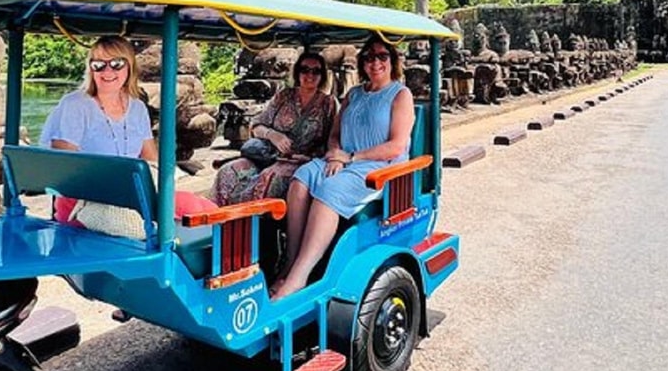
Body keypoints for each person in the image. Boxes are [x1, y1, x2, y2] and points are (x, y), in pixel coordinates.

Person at [270, 35, 415, 300]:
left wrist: (350, 157)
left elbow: (396, 146)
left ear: (392, 61)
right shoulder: (353, 94)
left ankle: (298, 277)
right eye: (369, 56)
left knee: (329, 190)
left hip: (377, 169)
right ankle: (290, 260)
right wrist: (336, 153)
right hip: (343, 159)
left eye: (382, 56)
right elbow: (335, 133)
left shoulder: (400, 95)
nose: (375, 62)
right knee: (301, 179)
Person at [40, 36, 211, 225]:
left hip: (130, 195)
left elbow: (151, 160)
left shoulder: (137, 108)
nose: (107, 71)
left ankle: (228, 250)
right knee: (181, 211)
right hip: (84, 203)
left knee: (200, 206)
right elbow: (64, 165)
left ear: (129, 67)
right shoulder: (75, 104)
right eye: (99, 65)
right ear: (91, 69)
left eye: (116, 64)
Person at [212, 52, 338, 205]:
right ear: (297, 72)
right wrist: (273, 135)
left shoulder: (328, 104)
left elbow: (334, 140)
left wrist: (311, 158)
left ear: (323, 75)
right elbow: (256, 125)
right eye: (304, 69)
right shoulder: (283, 96)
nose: (309, 75)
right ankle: (220, 223)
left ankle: (257, 225)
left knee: (270, 179)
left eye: (315, 71)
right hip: (267, 156)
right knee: (227, 172)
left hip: (301, 163)